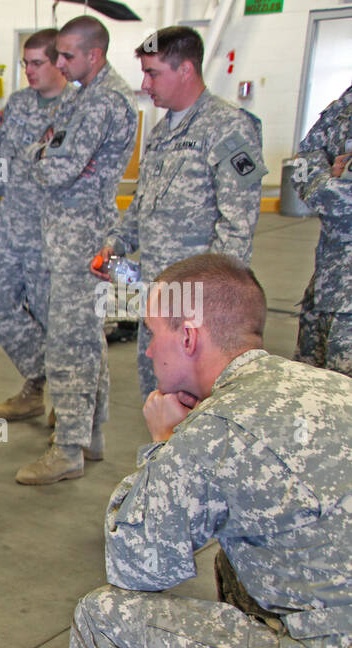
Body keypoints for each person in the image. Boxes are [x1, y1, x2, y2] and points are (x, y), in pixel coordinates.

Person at [43, 255, 352, 648]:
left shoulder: (218, 427)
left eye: (153, 334)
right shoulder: (331, 387)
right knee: (241, 557)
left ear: (189, 336)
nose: (150, 351)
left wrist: (166, 445)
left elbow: (136, 564)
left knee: (104, 621)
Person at [93, 26, 265, 399]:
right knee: (157, 392)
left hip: (197, 306)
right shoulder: (161, 132)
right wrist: (117, 244)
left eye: (153, 73)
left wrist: (210, 303)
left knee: (196, 403)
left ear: (186, 70)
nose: (144, 83)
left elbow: (237, 224)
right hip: (157, 295)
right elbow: (143, 203)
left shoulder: (228, 127)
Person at [16, 15, 137, 485]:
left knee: (69, 343)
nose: (60, 63)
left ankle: (67, 448)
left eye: (67, 55)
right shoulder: (87, 96)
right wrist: (46, 151)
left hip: (79, 239)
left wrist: (40, 153)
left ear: (94, 53)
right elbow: (53, 154)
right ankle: (92, 435)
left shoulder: (101, 102)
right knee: (89, 340)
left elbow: (54, 168)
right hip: (75, 235)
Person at [0, 29, 73, 422]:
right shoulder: (17, 105)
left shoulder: (78, 108)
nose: (29, 71)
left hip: (54, 233)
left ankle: (67, 404)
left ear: (59, 62)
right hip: (12, 226)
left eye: (37, 63)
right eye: (25, 63)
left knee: (59, 319)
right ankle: (38, 383)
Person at [293, 83, 352, 376]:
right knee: (313, 394)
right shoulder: (344, 105)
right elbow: (301, 162)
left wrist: (333, 186)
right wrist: (330, 184)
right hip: (327, 288)